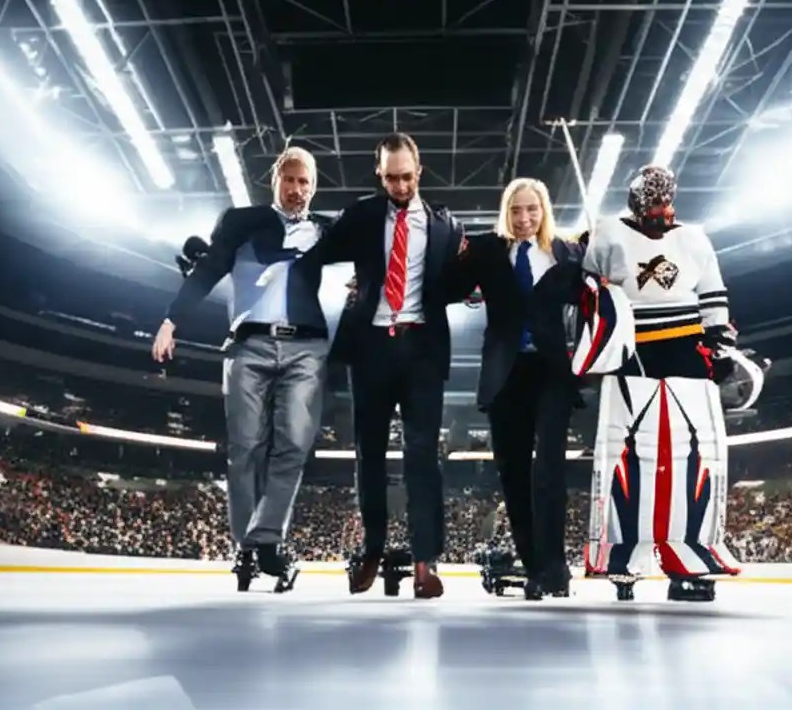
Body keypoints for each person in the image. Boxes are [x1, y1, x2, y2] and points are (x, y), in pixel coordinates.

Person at [151, 146, 329, 591]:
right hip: (248, 344)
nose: (297, 190)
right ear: (276, 181)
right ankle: (248, 550)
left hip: (306, 345)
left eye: (305, 182)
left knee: (293, 447)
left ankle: (261, 544)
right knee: (245, 449)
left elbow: (372, 256)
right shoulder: (242, 222)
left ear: (314, 186)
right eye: (290, 180)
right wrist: (172, 320)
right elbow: (210, 268)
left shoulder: (325, 231)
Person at [312, 132, 467, 599]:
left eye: (406, 176)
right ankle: (372, 550)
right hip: (371, 347)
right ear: (379, 174)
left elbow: (465, 275)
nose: (399, 186)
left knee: (422, 456)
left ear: (419, 172)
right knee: (369, 455)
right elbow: (316, 246)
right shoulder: (362, 215)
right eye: (390, 178)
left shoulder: (446, 225)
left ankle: (425, 564)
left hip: (422, 348)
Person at [579, 165, 743, 601]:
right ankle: (624, 558)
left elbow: (712, 293)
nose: (661, 213)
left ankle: (690, 556)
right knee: (626, 452)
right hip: (630, 354)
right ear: (635, 202)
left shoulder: (694, 238)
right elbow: (590, 291)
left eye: (666, 204)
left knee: (696, 454)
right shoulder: (608, 233)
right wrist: (592, 282)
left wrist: (719, 345)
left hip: (687, 353)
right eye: (652, 205)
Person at [448, 178, 585, 600]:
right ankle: (534, 566)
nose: (524, 219)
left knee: (549, 469)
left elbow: (596, 298)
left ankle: (555, 566)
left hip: (551, 372)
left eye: (533, 209)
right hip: (505, 375)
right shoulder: (489, 250)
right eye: (516, 210)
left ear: (544, 211)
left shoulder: (566, 251)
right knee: (512, 473)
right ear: (505, 213)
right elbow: (447, 287)